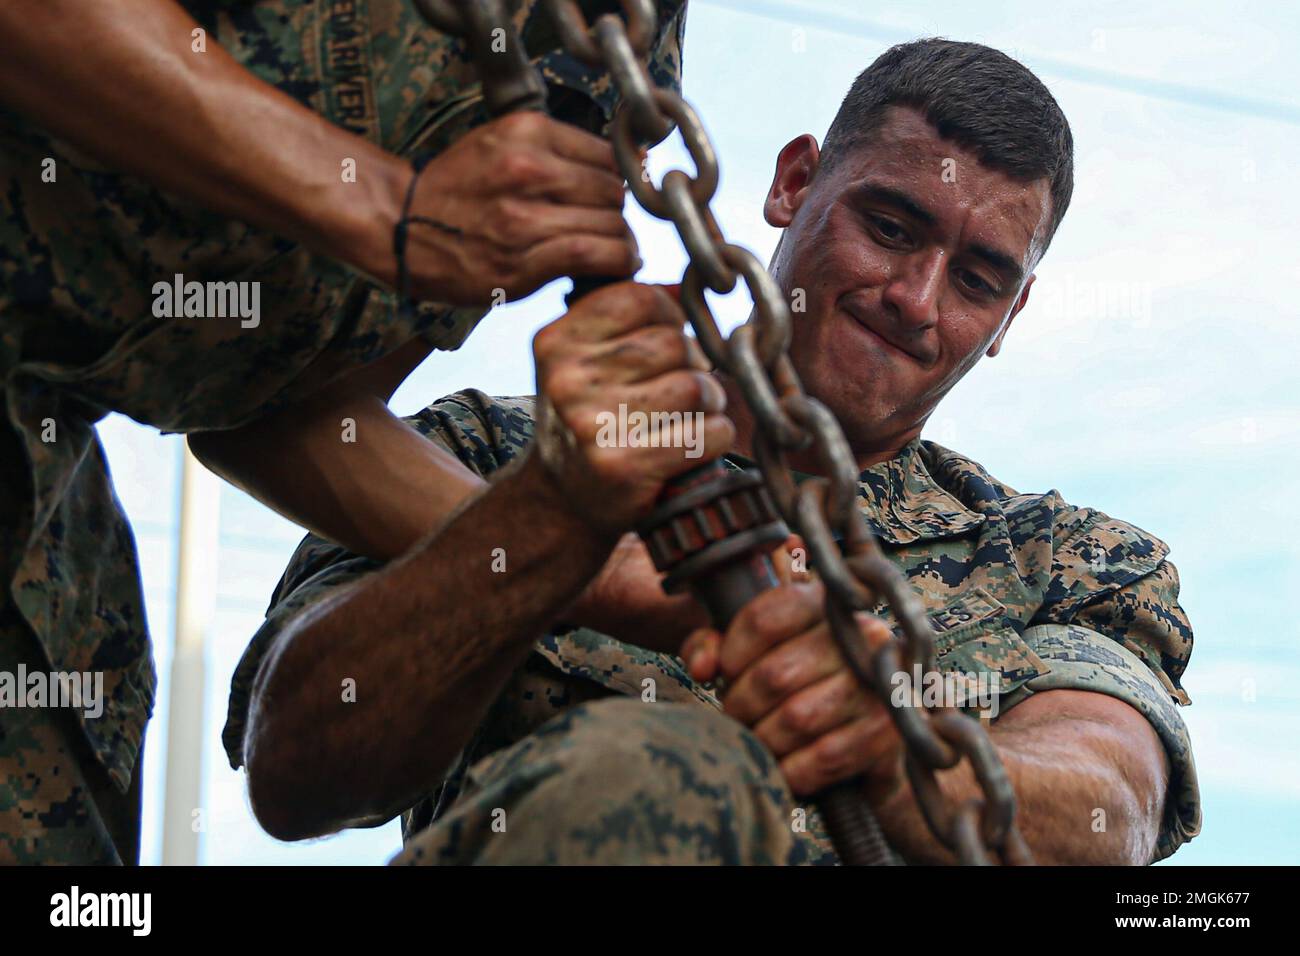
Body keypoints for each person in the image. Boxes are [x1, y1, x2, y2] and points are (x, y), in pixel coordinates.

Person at [223, 38, 1201, 864]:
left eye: (979, 278)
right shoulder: (486, 453)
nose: (916, 297)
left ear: (1010, 315)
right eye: (890, 225)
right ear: (793, 183)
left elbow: (1107, 803)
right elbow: (298, 764)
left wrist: (901, 754)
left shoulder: (1068, 559)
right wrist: (555, 517)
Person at [0, 0, 687, 864]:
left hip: (41, 490)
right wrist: (381, 207)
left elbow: (286, 419)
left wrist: (606, 567)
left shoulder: (620, 49)